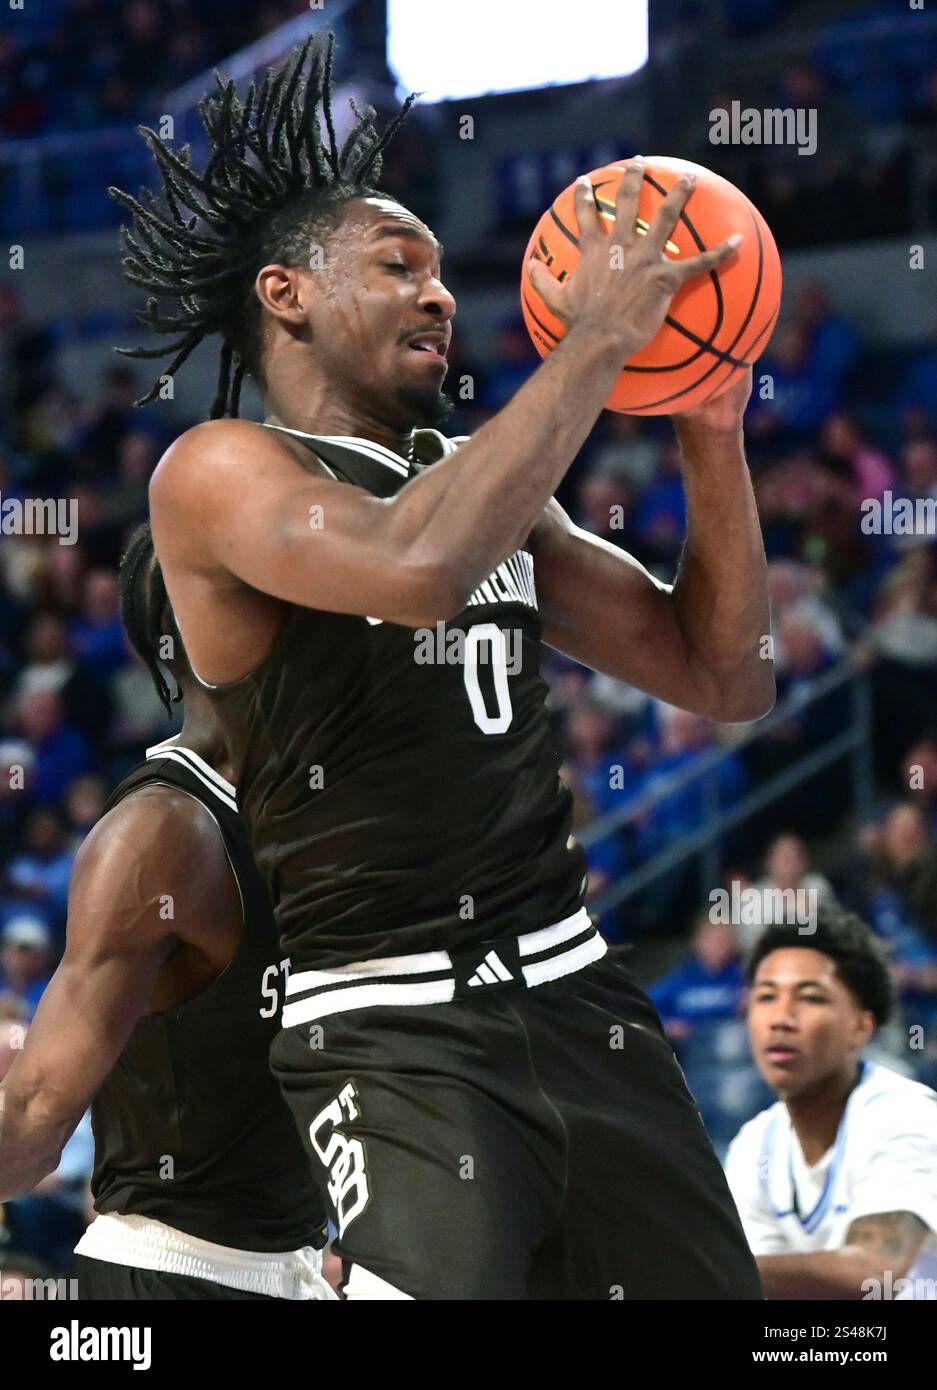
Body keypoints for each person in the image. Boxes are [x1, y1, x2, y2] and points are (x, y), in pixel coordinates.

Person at [120, 34, 773, 1299]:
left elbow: (724, 675)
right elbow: (409, 564)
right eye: (396, 266)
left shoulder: (486, 489)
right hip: (390, 1021)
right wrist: (590, 348)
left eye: (438, 273)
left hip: (579, 995)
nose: (439, 296)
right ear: (286, 295)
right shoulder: (218, 472)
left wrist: (706, 423)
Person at [0, 525, 333, 1301]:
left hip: (298, 1267)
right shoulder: (162, 834)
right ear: (183, 639)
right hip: (174, 1272)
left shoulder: (329, 808)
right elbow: (35, 1115)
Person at [725, 908, 937, 1299]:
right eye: (766, 996)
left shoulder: (906, 1113)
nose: (780, 1019)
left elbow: (876, 1274)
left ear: (861, 1026)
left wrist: (702, 1263)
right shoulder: (753, 1145)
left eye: (809, 997)